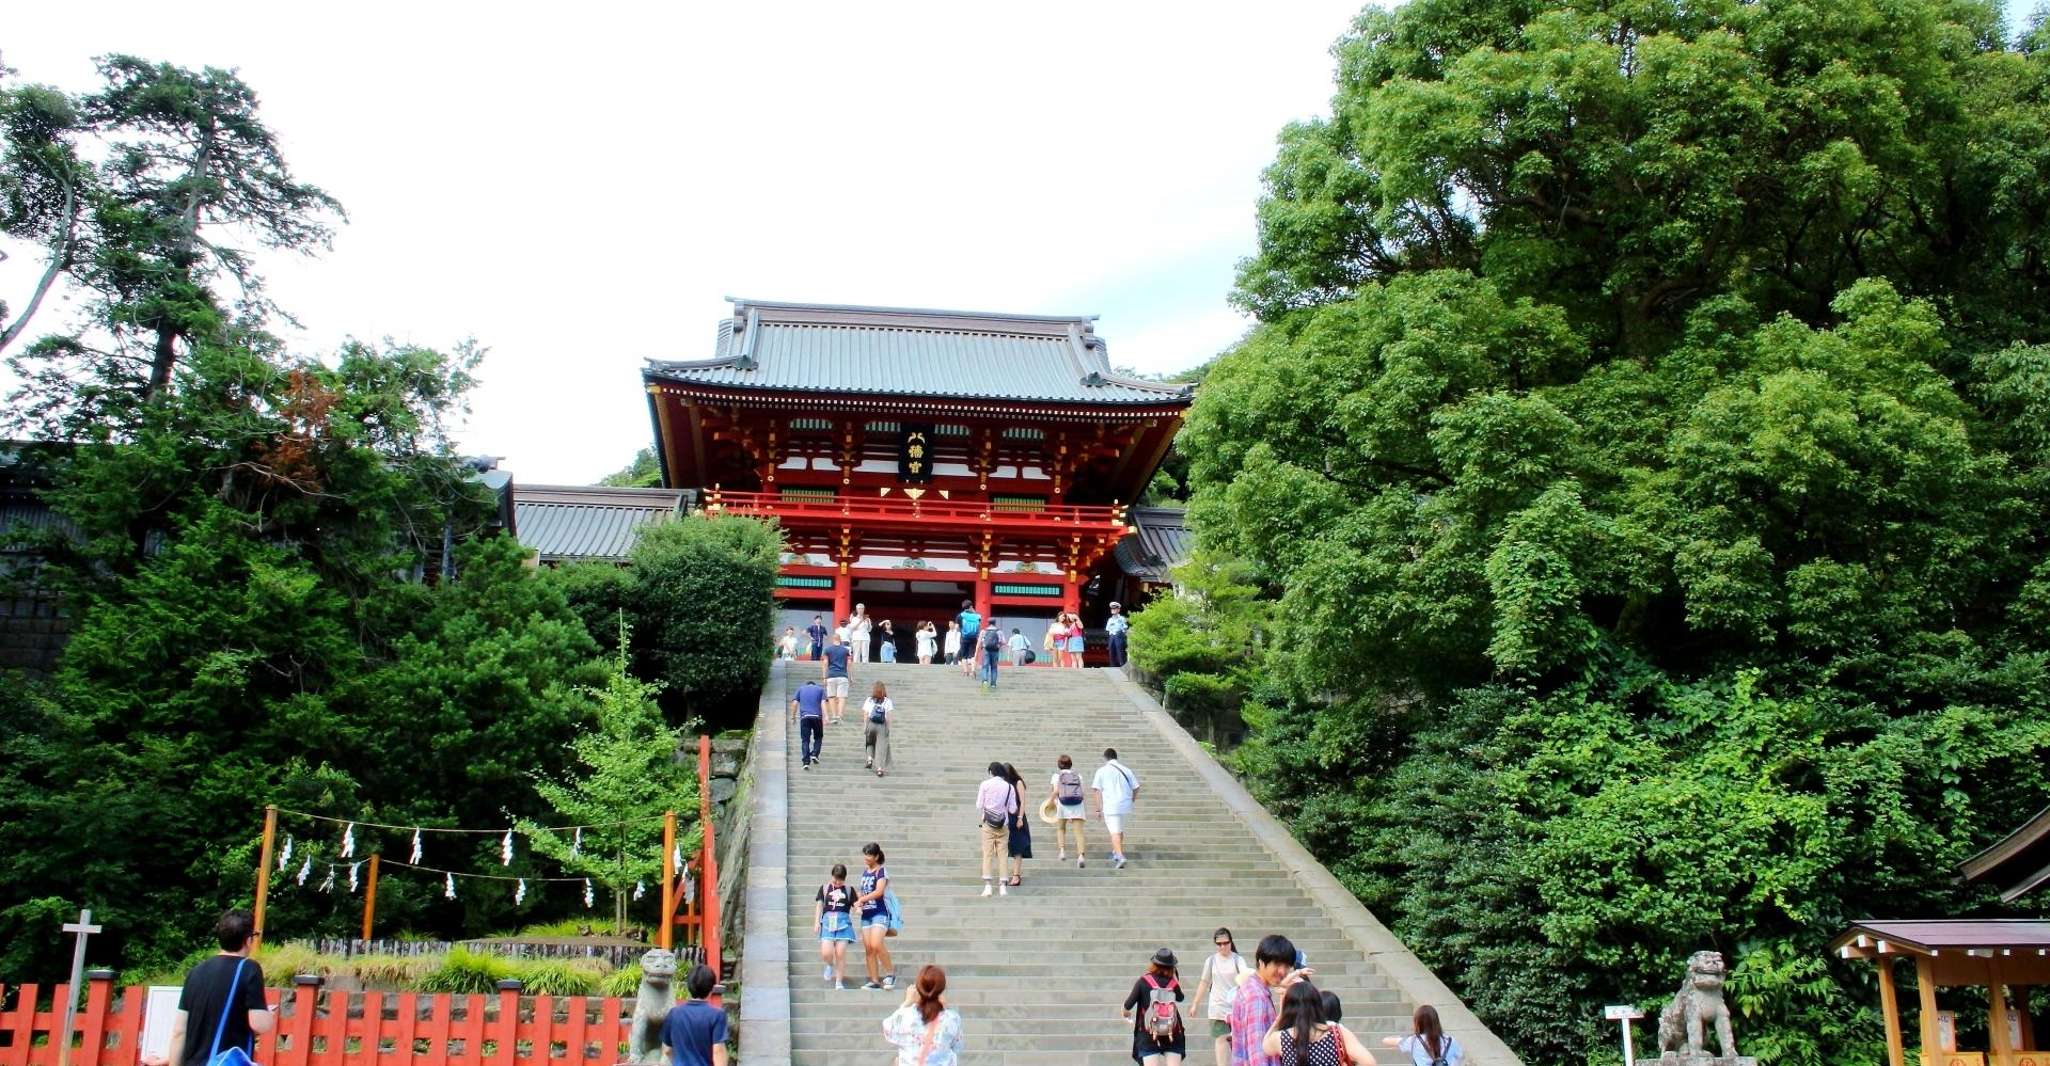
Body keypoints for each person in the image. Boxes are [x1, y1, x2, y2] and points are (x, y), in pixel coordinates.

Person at [141, 909, 275, 1066]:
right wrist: (269, 1015)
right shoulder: (248, 968)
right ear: (248, 940)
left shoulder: (195, 972)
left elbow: (179, 1031)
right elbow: (259, 1024)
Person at [1228, 934, 1315, 1066]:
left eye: (1286, 966)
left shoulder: (1251, 988)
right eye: (1277, 964)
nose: (1282, 971)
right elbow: (1258, 1053)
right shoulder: (1256, 996)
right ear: (1261, 962)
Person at [1262, 981, 1375, 1066]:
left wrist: (1281, 1016)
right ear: (1318, 1004)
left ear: (1289, 1008)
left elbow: (1265, 1047)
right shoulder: (1337, 1032)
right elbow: (1369, 1063)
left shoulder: (1281, 1038)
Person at [1189, 928, 1251, 1066]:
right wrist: (1195, 1004)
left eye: (1226, 943)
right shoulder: (1211, 961)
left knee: (1239, 1040)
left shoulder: (1238, 960)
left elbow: (1246, 979)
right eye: (1219, 944)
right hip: (1217, 1007)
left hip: (1236, 1006)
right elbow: (1204, 982)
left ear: (1231, 942)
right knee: (1221, 1038)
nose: (1222, 946)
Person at [881, 965, 963, 1066]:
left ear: (918, 988)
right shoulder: (952, 1018)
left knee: (897, 1061)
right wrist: (946, 1008)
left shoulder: (905, 1015)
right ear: (942, 988)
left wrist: (906, 1002)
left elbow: (888, 1031)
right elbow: (957, 1047)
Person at [1122, 947, 1186, 1066]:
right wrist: (1176, 980)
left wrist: (1125, 1013)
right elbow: (1181, 998)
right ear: (1172, 966)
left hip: (1149, 1034)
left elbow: (1128, 1005)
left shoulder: (1143, 981)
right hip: (1172, 1031)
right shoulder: (1173, 983)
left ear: (1154, 964)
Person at [659, 964, 730, 1066]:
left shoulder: (674, 1014)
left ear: (688, 986)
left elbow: (667, 1050)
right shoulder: (717, 1015)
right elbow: (718, 1051)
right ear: (711, 989)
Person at [853, 842, 895, 990]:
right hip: (866, 914)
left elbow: (879, 892)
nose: (866, 857)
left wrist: (861, 899)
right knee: (869, 948)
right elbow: (862, 891)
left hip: (879, 912)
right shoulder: (865, 872)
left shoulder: (881, 871)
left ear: (876, 856)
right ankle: (874, 980)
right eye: (865, 854)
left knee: (876, 943)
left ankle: (890, 973)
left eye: (869, 855)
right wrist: (856, 901)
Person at [1091, 747, 1140, 868]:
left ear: (1105, 758)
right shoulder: (1127, 770)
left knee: (1114, 832)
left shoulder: (1101, 771)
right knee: (1119, 830)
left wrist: (1098, 809)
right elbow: (1137, 787)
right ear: (1116, 757)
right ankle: (1116, 852)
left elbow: (1096, 791)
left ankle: (1120, 856)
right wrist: (1132, 798)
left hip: (1111, 806)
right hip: (1125, 805)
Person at [814, 863, 857, 990]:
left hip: (843, 924)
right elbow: (819, 906)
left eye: (840, 880)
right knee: (826, 952)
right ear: (831, 876)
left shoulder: (849, 890)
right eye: (835, 879)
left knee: (840, 953)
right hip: (828, 922)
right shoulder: (825, 888)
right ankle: (829, 964)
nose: (837, 882)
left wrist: (858, 909)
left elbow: (855, 906)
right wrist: (816, 922)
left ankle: (839, 981)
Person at [975, 761, 1014, 897]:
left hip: (988, 824)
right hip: (1003, 825)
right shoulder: (1009, 787)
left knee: (987, 854)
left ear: (991, 772)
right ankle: (1003, 886)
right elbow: (1013, 808)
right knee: (1002, 855)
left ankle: (988, 886)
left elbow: (979, 804)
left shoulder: (985, 784)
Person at [1382, 1005, 1462, 1066]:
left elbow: (1386, 1041)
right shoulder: (1451, 1041)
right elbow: (1459, 1058)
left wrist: (1404, 1038)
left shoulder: (1413, 1041)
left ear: (1418, 1022)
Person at [1048, 754, 1089, 866]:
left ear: (1059, 765)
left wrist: (1050, 801)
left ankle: (1062, 852)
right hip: (1077, 805)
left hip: (1063, 805)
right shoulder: (1078, 776)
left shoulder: (1056, 776)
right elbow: (1083, 792)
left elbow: (1056, 791)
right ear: (1070, 764)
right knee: (1079, 832)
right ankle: (1081, 856)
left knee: (1061, 828)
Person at [1002, 763, 1031, 887]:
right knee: (1011, 847)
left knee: (1018, 847)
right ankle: (1012, 874)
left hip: (1017, 817)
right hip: (1007, 818)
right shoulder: (1005, 784)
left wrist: (1020, 818)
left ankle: (1016, 876)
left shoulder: (1018, 782)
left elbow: (1023, 802)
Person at [791, 678, 827, 769]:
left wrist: (793, 717)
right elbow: (823, 703)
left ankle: (806, 762)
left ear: (807, 684)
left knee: (805, 740)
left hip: (804, 717)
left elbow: (795, 703)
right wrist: (826, 716)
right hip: (817, 717)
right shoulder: (820, 689)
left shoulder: (801, 689)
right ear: (814, 685)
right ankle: (815, 753)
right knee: (818, 737)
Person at [863, 681, 894, 777]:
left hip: (871, 723)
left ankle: (869, 759)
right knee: (881, 747)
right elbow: (888, 717)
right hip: (882, 725)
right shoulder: (887, 701)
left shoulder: (869, 700)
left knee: (870, 742)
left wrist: (865, 726)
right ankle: (880, 768)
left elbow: (865, 714)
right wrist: (888, 728)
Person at [822, 632, 852, 725]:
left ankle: (834, 716)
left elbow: (825, 663)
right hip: (843, 676)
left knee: (831, 697)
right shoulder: (846, 650)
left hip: (831, 675)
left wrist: (824, 677)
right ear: (840, 639)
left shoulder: (827, 649)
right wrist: (850, 677)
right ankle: (840, 716)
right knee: (842, 697)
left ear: (832, 640)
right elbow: (849, 664)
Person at [956, 599, 982, 678]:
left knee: (964, 656)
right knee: (972, 655)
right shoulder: (977, 616)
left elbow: (957, 628)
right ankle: (973, 670)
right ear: (971, 606)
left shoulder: (960, 615)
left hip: (964, 637)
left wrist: (961, 629)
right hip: (974, 637)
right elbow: (979, 626)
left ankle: (966, 671)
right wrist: (974, 612)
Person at [979, 621, 1005, 689]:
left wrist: (982, 647)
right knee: (994, 667)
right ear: (995, 623)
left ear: (988, 623)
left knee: (985, 666)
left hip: (986, 650)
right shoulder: (999, 631)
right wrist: (998, 645)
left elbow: (980, 641)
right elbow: (1003, 642)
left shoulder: (983, 631)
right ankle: (993, 684)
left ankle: (985, 681)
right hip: (995, 651)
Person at [1106, 602, 1130, 668]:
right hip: (1112, 636)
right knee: (1111, 651)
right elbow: (1108, 629)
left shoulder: (1122, 618)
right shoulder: (1110, 619)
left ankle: (1122, 666)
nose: (1113, 610)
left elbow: (1125, 628)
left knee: (1120, 651)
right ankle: (1112, 666)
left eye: (1114, 609)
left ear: (1118, 610)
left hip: (1119, 636)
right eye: (1112, 609)